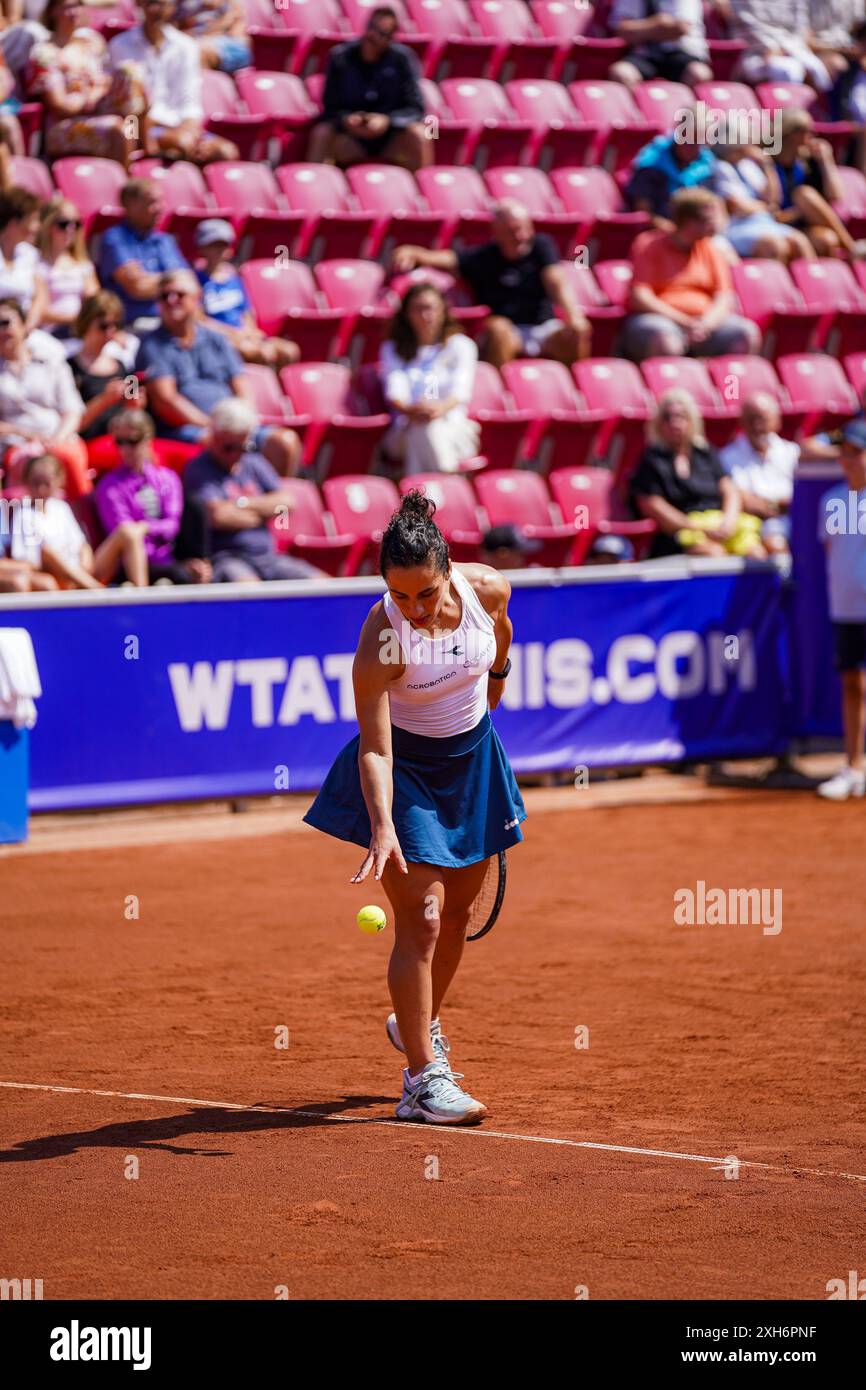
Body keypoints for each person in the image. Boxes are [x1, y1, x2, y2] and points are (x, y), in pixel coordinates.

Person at [302, 489, 526, 1124]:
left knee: (457, 915)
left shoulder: (488, 590)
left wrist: (499, 674)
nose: (414, 608)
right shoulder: (382, 636)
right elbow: (374, 747)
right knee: (423, 919)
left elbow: (503, 632)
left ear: (448, 570)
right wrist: (381, 825)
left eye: (424, 593)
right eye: (399, 596)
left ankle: (414, 1023)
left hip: (474, 760)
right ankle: (423, 1080)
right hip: (406, 771)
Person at [135, 269, 302, 477]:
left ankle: (275, 505)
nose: (171, 300)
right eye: (164, 296)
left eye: (179, 294)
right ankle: (228, 501)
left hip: (231, 423)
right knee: (220, 446)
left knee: (283, 443)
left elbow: (241, 385)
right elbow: (166, 401)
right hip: (189, 429)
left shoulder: (217, 339)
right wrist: (213, 427)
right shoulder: (152, 344)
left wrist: (243, 421)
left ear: (197, 298)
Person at [392, 201, 591, 367]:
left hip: (544, 327)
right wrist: (415, 252)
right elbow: (449, 259)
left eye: (523, 229)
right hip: (508, 331)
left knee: (576, 332)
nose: (520, 237)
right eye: (512, 231)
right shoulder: (483, 257)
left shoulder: (541, 246)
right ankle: (500, 394)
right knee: (498, 329)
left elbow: (556, 281)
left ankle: (574, 396)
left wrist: (573, 316)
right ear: (497, 233)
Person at [183, 397, 322, 582]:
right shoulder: (199, 469)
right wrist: (263, 511)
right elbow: (217, 515)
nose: (236, 454)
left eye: (243, 447)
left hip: (268, 557)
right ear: (214, 437)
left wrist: (240, 505)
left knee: (323, 585)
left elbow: (287, 502)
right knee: (251, 592)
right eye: (229, 447)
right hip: (227, 558)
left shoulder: (253, 462)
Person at [623, 187, 762, 362]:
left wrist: (705, 325)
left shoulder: (712, 248)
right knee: (665, 341)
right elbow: (640, 297)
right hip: (663, 320)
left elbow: (724, 297)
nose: (713, 225)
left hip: (705, 324)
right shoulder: (648, 245)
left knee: (745, 333)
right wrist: (684, 322)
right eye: (706, 220)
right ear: (687, 221)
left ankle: (728, 387)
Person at [631, 388, 765, 557]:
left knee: (756, 554)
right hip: (680, 535)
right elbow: (652, 505)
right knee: (714, 554)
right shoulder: (652, 459)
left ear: (691, 420)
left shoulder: (705, 453)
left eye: (681, 416)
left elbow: (730, 490)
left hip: (719, 525)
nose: (674, 423)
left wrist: (728, 522)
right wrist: (697, 528)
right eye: (667, 417)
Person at [108, 0, 239, 164]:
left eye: (161, 3)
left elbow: (189, 100)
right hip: (138, 127)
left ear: (172, 7)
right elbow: (127, 106)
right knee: (181, 143)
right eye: (150, 3)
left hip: (177, 126)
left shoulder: (186, 46)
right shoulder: (120, 45)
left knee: (225, 151)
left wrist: (189, 129)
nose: (155, 8)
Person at [306, 5, 430, 174]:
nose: (373, 36)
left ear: (391, 37)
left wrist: (387, 121)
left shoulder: (402, 59)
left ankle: (421, 193)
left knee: (421, 133)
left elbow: (416, 108)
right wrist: (347, 119)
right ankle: (316, 187)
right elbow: (330, 106)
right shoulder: (341, 56)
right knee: (322, 132)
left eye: (382, 34)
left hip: (390, 137)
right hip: (351, 137)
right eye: (372, 28)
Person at [95, 408, 211, 585]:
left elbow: (172, 525)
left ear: (148, 440)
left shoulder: (167, 478)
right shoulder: (110, 485)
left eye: (132, 441)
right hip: (127, 564)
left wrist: (145, 527)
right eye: (120, 442)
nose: (125, 449)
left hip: (165, 559)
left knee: (186, 572)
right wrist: (145, 529)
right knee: (131, 535)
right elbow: (122, 531)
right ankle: (142, 597)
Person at [11, 449, 151, 588]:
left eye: (46, 483)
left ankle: (141, 596)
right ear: (26, 483)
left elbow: (82, 544)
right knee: (48, 553)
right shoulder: (23, 514)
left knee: (127, 532)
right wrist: (70, 573)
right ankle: (96, 590)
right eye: (36, 483)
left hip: (83, 573)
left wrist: (83, 567)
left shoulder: (61, 507)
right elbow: (31, 561)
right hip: (58, 579)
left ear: (59, 481)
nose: (41, 489)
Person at [379, 283, 479, 476]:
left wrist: (437, 409)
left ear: (443, 310)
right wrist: (412, 410)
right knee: (422, 428)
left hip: (454, 429)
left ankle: (424, 494)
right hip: (404, 429)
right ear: (407, 313)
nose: (426, 315)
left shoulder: (462, 346)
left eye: (430, 308)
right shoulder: (393, 349)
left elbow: (461, 390)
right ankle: (445, 484)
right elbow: (394, 389)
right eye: (418, 308)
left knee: (424, 430)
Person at [816, 417, 866, 798]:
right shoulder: (831, 501)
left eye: (856, 453)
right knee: (852, 683)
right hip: (845, 610)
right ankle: (854, 766)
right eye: (844, 454)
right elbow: (831, 552)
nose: (848, 461)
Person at [23, 0, 138, 166]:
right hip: (62, 126)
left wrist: (95, 93)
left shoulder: (90, 45)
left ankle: (138, 160)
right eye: (68, 7)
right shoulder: (44, 53)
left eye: (78, 6)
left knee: (131, 119)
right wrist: (87, 98)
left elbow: (104, 82)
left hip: (96, 114)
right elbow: (60, 105)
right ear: (53, 12)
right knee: (118, 129)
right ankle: (124, 180)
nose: (75, 12)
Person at [0, 296, 90, 496]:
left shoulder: (51, 361)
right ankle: (29, 523)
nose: (1, 331)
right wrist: (26, 435)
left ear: (24, 325)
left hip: (58, 437)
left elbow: (72, 410)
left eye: (5, 322)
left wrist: (56, 440)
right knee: (31, 462)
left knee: (68, 456)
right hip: (16, 444)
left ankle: (85, 522)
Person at [193, 219, 299, 372]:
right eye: (213, 245)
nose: (219, 250)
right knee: (259, 353)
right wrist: (235, 335)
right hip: (220, 339)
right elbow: (200, 320)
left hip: (243, 336)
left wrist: (250, 333)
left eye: (223, 245)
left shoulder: (234, 279)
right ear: (201, 248)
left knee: (288, 350)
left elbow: (247, 313)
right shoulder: (195, 281)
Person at [771, 107, 866, 257]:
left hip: (802, 225)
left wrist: (826, 162)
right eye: (806, 131)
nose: (812, 136)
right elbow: (772, 212)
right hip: (776, 224)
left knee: (827, 239)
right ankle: (851, 247)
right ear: (792, 134)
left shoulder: (807, 163)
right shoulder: (769, 163)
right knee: (804, 194)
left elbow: (835, 196)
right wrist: (799, 212)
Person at [98, 178, 190, 328]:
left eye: (160, 202)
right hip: (134, 323)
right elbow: (137, 288)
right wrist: (172, 281)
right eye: (152, 202)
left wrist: (151, 280)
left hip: (173, 319)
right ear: (130, 205)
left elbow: (189, 284)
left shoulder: (164, 240)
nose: (160, 208)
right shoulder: (114, 239)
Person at [719, 393, 800, 554]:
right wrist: (780, 504)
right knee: (775, 543)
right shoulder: (726, 456)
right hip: (751, 525)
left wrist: (772, 504)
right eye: (751, 419)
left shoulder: (792, 452)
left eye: (762, 418)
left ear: (777, 421)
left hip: (794, 518)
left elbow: (800, 497)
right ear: (741, 422)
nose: (757, 426)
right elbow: (745, 502)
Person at [712, 141, 816, 261]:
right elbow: (738, 207)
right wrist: (766, 208)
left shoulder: (748, 166)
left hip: (765, 223)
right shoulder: (720, 167)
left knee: (800, 241)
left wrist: (767, 165)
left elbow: (774, 200)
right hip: (738, 227)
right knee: (773, 245)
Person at [70, 290, 136, 441]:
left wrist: (135, 404)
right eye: (103, 326)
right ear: (86, 324)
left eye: (116, 325)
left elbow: (132, 415)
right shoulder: (69, 367)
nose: (111, 331)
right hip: (92, 442)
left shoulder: (121, 364)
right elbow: (74, 423)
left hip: (125, 442)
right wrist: (105, 399)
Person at [608, 0, 713, 90]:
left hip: (680, 53)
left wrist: (642, 30)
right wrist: (658, 24)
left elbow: (681, 28)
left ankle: (686, 113)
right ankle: (636, 113)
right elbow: (622, 29)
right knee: (621, 72)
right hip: (643, 56)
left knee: (699, 73)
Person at [36, 196, 99, 338]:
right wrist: (78, 320)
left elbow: (94, 301)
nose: (71, 229)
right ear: (48, 225)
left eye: (76, 224)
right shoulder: (36, 262)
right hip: (48, 333)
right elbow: (41, 312)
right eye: (64, 224)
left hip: (80, 332)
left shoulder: (83, 264)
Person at [625, 131, 718, 228]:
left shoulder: (705, 163)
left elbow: (714, 204)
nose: (693, 147)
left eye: (698, 143)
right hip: (658, 233)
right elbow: (643, 212)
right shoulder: (651, 166)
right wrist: (673, 232)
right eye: (688, 141)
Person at [732, 0, 834, 88]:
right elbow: (748, 25)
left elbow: (800, 28)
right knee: (789, 70)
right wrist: (772, 48)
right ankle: (785, 109)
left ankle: (812, 109)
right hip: (755, 53)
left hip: (792, 48)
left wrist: (785, 49)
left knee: (820, 70)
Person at [0, 184, 47, 334]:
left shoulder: (30, 254)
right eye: (33, 220)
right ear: (14, 222)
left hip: (23, 332)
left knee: (56, 353)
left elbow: (40, 296)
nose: (37, 227)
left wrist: (27, 328)